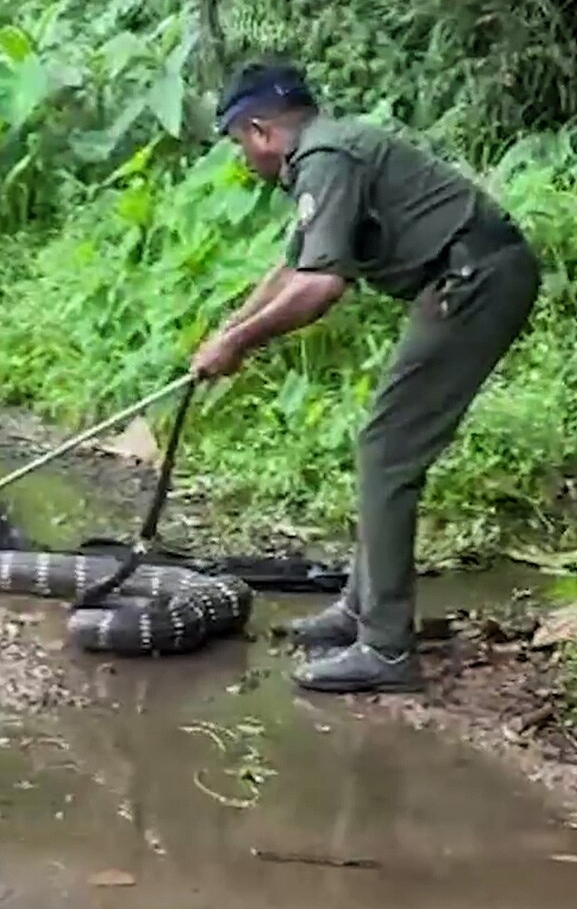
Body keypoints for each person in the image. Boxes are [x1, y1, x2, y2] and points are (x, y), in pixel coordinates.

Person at [191, 60, 541, 694]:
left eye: (240, 142)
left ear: (263, 131)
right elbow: (294, 266)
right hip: (466, 277)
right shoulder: (327, 153)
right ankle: (359, 610)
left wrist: (239, 344)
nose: (243, 157)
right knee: (384, 445)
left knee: (386, 451)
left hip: (474, 280)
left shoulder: (327, 159)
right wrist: (226, 332)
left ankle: (384, 649)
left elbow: (322, 287)